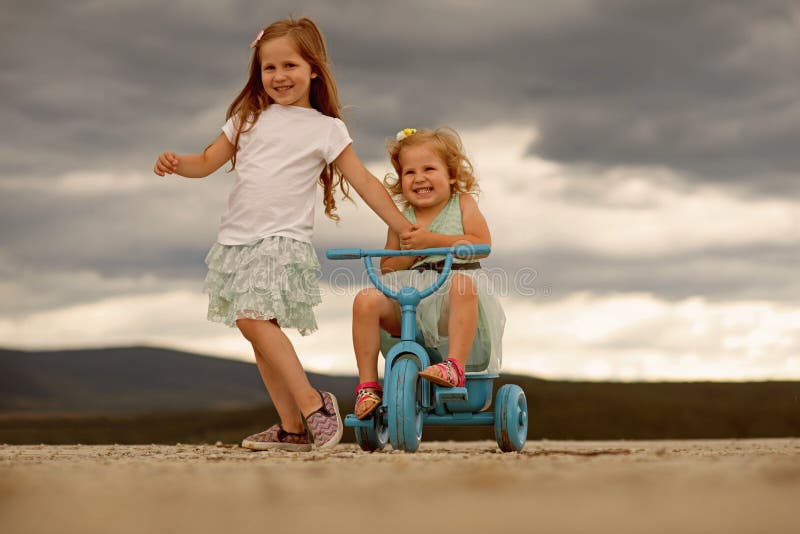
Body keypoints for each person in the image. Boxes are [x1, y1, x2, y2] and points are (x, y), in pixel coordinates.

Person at [153, 17, 410, 451]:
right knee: (257, 331)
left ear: (313, 68)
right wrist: (178, 162)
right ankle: (291, 429)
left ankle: (315, 405)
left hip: (279, 240)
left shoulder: (326, 129)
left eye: (289, 65)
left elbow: (363, 180)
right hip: (235, 241)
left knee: (253, 319)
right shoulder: (248, 117)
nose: (278, 76)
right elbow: (207, 161)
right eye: (268, 68)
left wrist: (401, 226)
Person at [351, 127, 505, 420]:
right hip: (413, 298)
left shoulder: (462, 204)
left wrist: (432, 241)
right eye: (409, 172)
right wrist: (407, 255)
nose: (419, 177)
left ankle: (454, 367)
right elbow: (388, 269)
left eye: (429, 169)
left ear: (450, 175)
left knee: (463, 284)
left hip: (452, 296)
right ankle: (368, 386)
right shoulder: (402, 218)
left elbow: (481, 245)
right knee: (365, 299)